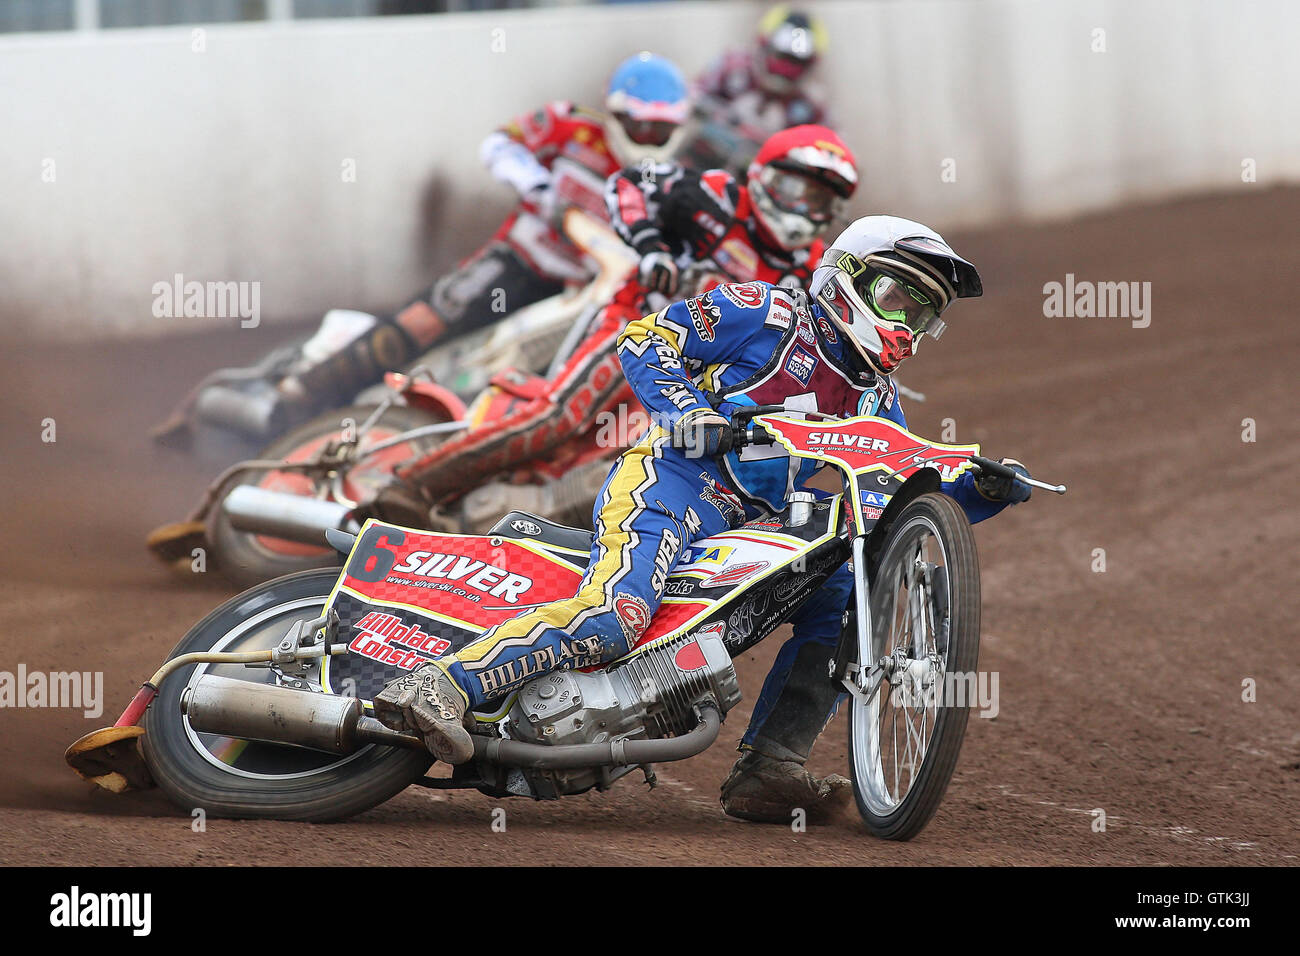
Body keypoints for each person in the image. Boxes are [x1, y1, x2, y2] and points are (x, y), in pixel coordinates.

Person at [372, 215, 1034, 824]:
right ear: (847, 277)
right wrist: (686, 409)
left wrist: (986, 489)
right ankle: (441, 684)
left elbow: (900, 491)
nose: (906, 325)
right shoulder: (773, 313)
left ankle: (768, 768)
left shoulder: (877, 398)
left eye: (921, 315)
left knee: (846, 598)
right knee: (617, 617)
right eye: (897, 298)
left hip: (753, 525)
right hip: (672, 482)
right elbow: (648, 338)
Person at [359, 125, 858, 528]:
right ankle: (410, 485)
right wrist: (650, 245)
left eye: (820, 199)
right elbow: (631, 184)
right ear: (765, 175)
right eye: (796, 187)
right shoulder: (717, 195)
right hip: (639, 328)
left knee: (661, 459)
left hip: (696, 378)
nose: (803, 208)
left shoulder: (810, 271)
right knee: (561, 418)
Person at [253, 53, 693, 428]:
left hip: (585, 295)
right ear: (614, 113)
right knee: (426, 320)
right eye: (638, 125)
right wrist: (541, 191)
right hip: (518, 263)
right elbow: (499, 146)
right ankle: (303, 394)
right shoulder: (571, 126)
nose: (647, 138)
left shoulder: (671, 183)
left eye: (659, 129)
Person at [685, 5, 832, 173]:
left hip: (764, 176)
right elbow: (692, 94)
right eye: (782, 56)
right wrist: (718, 117)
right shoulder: (733, 66)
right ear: (765, 45)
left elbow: (829, 144)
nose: (787, 67)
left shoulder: (810, 103)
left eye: (797, 61)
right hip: (703, 158)